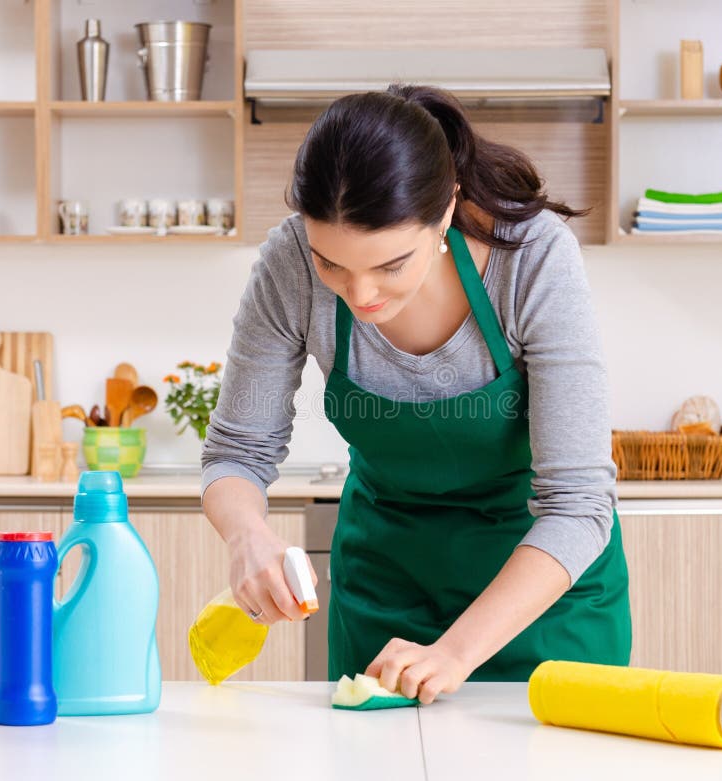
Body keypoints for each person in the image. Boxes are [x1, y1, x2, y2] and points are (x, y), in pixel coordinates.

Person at [201, 84, 632, 705]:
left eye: (391, 265)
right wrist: (247, 534)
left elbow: (578, 506)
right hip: (386, 586)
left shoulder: (531, 257)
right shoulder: (288, 263)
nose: (361, 295)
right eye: (332, 264)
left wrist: (455, 652)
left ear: (446, 211)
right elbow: (236, 452)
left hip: (541, 595)